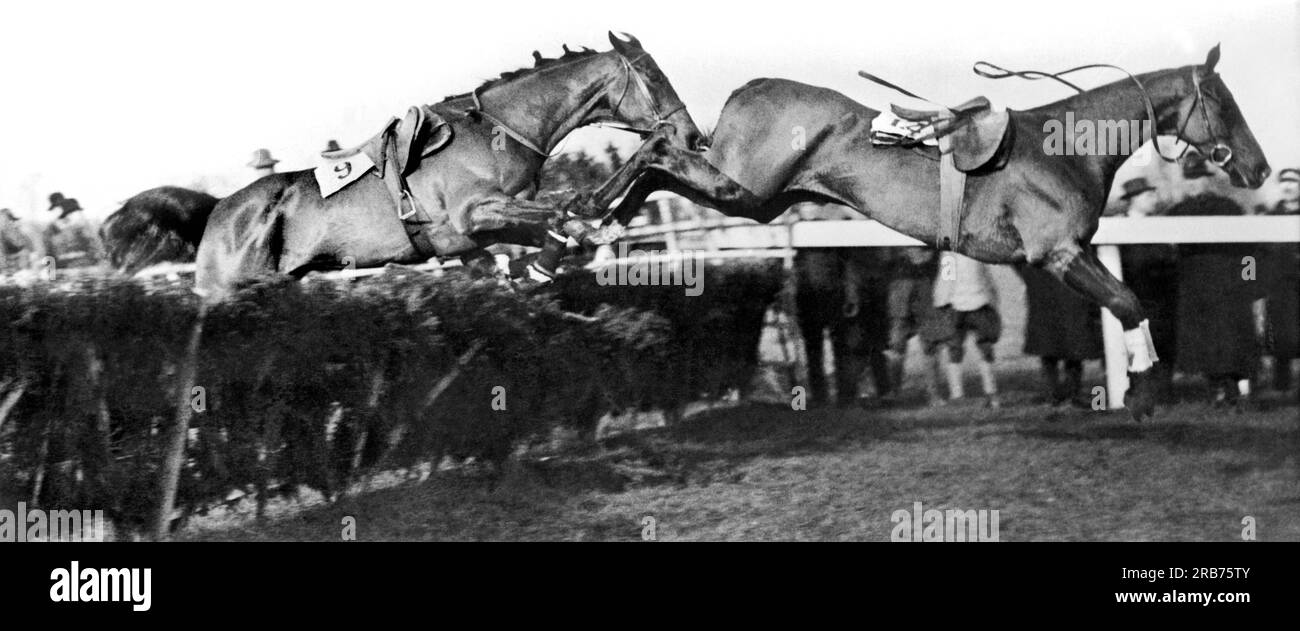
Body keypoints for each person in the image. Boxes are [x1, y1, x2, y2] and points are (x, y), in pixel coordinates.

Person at [1169, 156, 1260, 406]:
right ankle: (1216, 388)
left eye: (1199, 179)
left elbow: (1249, 250)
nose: (1194, 185)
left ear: (1208, 181)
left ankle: (1235, 389)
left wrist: (1249, 283)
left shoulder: (1229, 208)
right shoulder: (1177, 212)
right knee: (1205, 341)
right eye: (1190, 180)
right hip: (1195, 285)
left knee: (1230, 339)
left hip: (1226, 284)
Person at [1114, 176, 1179, 401]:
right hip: (1134, 293)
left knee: (1163, 344)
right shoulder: (1118, 224)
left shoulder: (1160, 223)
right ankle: (1140, 391)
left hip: (1161, 295)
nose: (1154, 199)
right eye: (1148, 195)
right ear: (1134, 200)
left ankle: (1164, 392)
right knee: (1138, 345)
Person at [1019, 261, 1103, 406]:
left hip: (1047, 303)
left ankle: (1055, 394)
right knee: (1072, 356)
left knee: (1050, 356)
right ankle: (1071, 393)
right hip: (1068, 305)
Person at [926, 251, 1001, 407]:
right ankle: (991, 394)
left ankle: (958, 394)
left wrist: (940, 303)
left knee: (955, 350)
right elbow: (987, 278)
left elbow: (946, 281)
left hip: (957, 305)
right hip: (978, 303)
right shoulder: (978, 249)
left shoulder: (950, 252)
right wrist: (993, 299)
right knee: (984, 349)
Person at [883, 246, 942, 403]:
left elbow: (936, 252)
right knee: (896, 343)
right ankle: (894, 392)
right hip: (900, 286)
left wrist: (924, 255)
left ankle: (933, 393)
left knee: (930, 341)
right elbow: (885, 256)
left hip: (925, 285)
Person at [1260, 168, 1299, 396]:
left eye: (1293, 182)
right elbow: (1251, 255)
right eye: (1283, 182)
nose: (1288, 186)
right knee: (1281, 338)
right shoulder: (1270, 218)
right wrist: (1250, 283)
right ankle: (1281, 384)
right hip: (1279, 289)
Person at [43, 192, 105, 269]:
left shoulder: (85, 226)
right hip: (64, 269)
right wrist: (52, 274)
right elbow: (49, 254)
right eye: (55, 207)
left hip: (87, 268)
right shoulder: (50, 230)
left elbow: (97, 250)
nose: (57, 210)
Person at [0, 208, 36, 273]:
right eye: (6, 221)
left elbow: (31, 252)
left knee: (25, 254)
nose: (11, 223)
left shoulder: (20, 233)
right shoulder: (3, 235)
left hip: (19, 268)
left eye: (11, 220)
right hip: (8, 268)